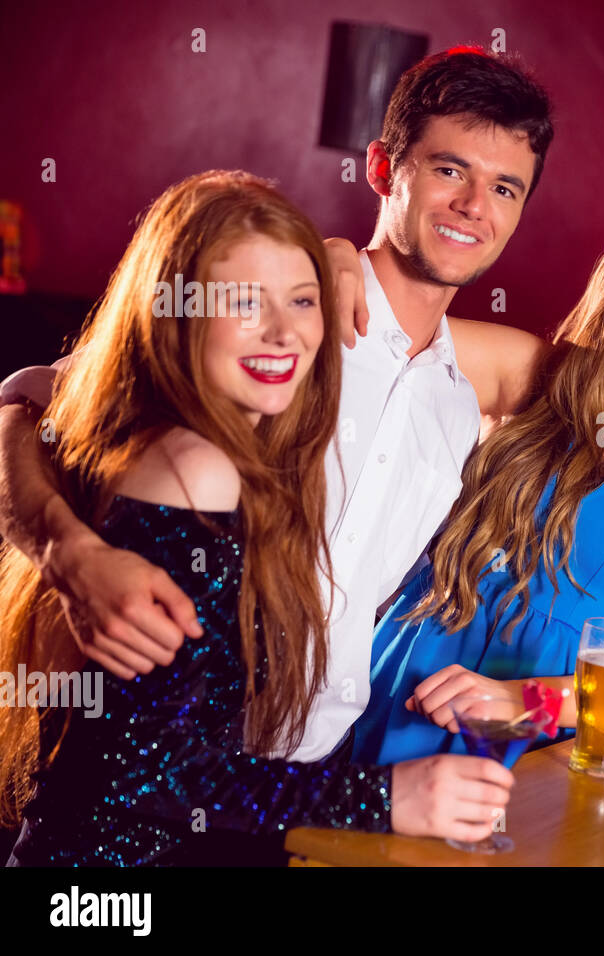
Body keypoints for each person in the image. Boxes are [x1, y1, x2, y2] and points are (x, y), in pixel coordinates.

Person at [0, 48, 555, 762]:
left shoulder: (455, 406)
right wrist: (69, 555)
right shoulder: (284, 322)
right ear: (383, 168)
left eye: (505, 189)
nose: (474, 207)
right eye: (450, 171)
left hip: (304, 783)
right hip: (156, 766)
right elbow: (28, 398)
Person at [0, 171, 512, 866]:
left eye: (303, 301)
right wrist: (389, 798)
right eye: (244, 301)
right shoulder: (193, 467)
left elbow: (29, 393)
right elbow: (144, 773)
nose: (284, 332)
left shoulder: (209, 434)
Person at [351, 203, 604, 765]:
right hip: (409, 683)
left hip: (550, 728)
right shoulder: (533, 372)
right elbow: (382, 327)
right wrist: (339, 261)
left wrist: (523, 703)